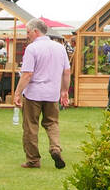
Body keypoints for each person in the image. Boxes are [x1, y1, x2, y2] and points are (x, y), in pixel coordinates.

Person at [13, 19, 70, 169]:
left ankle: (33, 160)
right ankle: (55, 148)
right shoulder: (60, 48)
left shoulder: (32, 49)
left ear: (35, 31)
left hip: (33, 94)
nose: (27, 35)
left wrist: (17, 93)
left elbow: (27, 75)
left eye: (28, 32)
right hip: (52, 94)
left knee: (31, 126)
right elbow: (67, 72)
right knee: (52, 123)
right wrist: (64, 91)